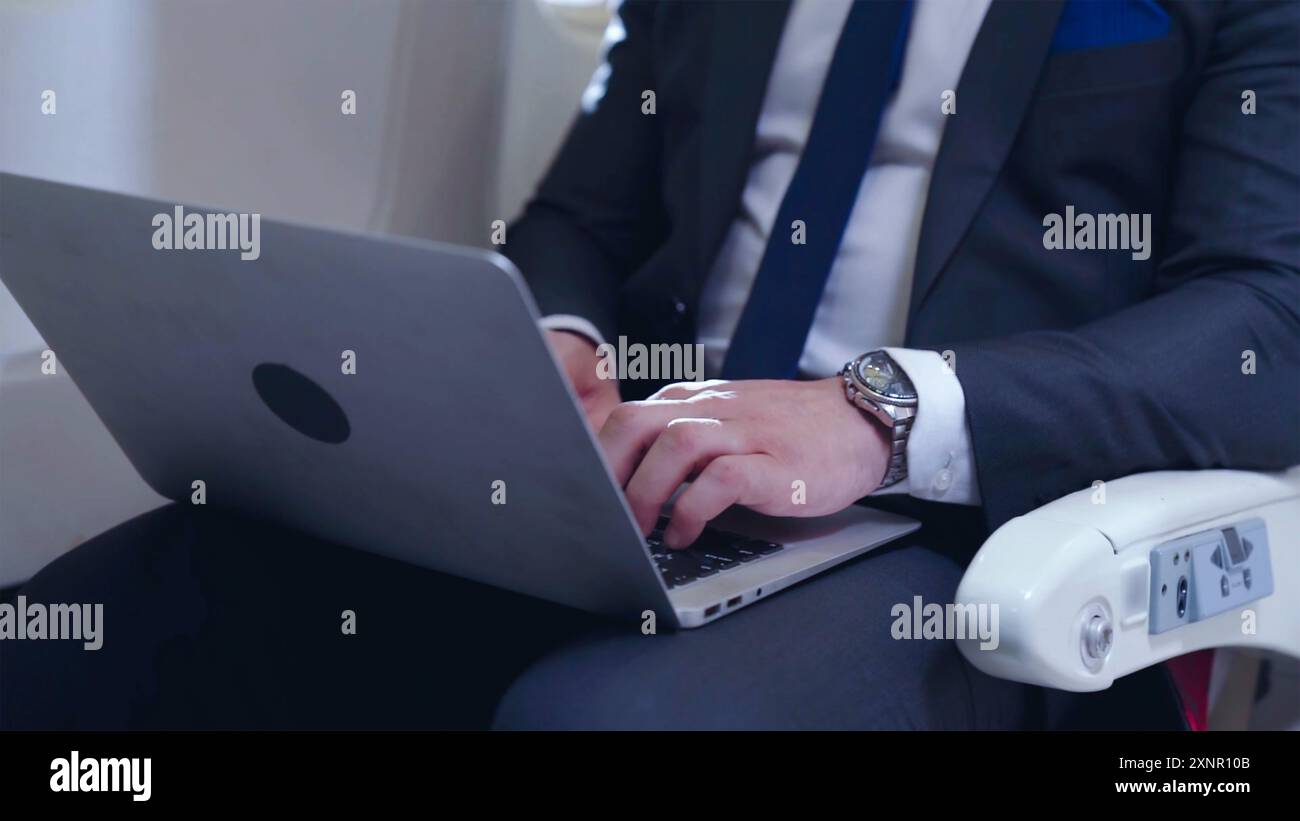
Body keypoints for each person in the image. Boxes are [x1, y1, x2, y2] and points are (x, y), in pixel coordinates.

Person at [3, 0, 1295, 730]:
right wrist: (552, 348)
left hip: (967, 524)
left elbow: (1265, 320)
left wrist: (878, 413)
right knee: (97, 619)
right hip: (640, 475)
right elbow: (581, 226)